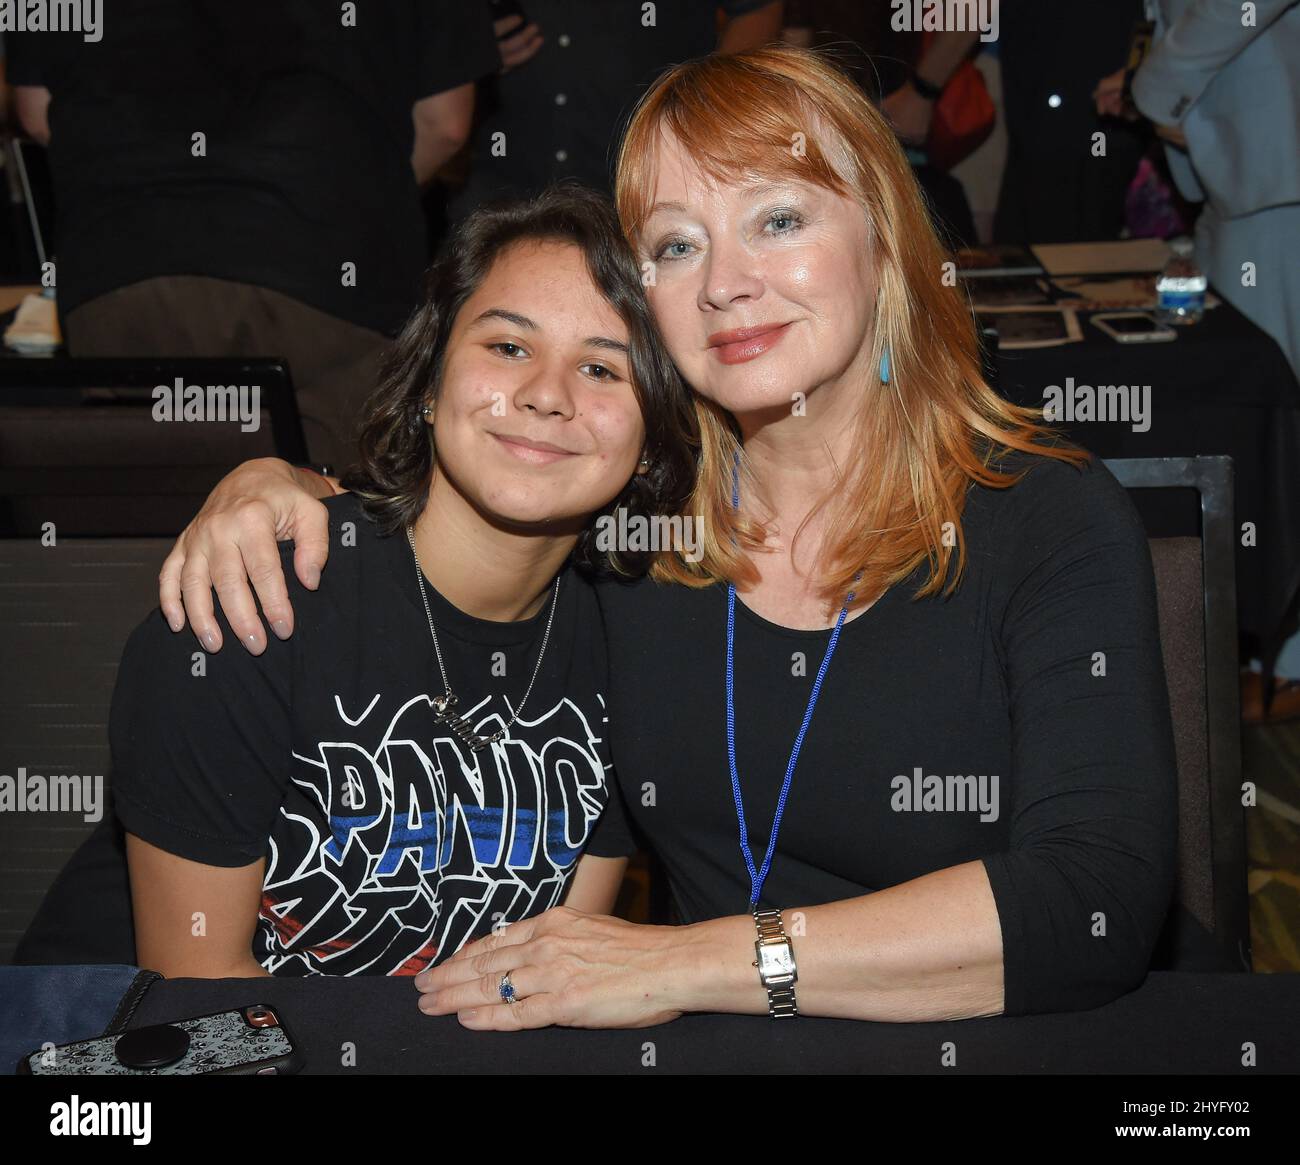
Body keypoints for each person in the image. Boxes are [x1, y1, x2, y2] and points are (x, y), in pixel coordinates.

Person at [158, 47, 1178, 1024]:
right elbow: (461, 504)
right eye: (677, 244)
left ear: (884, 238)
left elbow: (1092, 905)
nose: (725, 283)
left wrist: (685, 959)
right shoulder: (634, 532)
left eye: (776, 219)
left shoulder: (1041, 513)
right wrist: (278, 482)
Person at [108, 184, 696, 978]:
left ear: (653, 437)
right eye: (508, 347)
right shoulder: (255, 607)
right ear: (427, 384)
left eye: (600, 367)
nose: (547, 395)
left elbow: (544, 982)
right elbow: (202, 997)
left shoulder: (632, 650)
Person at [6, 0, 501, 470]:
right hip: (323, 273)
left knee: (147, 511)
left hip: (121, 267)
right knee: (333, 518)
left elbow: (37, 110)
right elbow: (444, 126)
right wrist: (348, 202)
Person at [445, 0, 784, 220]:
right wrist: (469, 48)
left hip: (643, 192)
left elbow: (758, 8)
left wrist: (710, 101)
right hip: (503, 189)